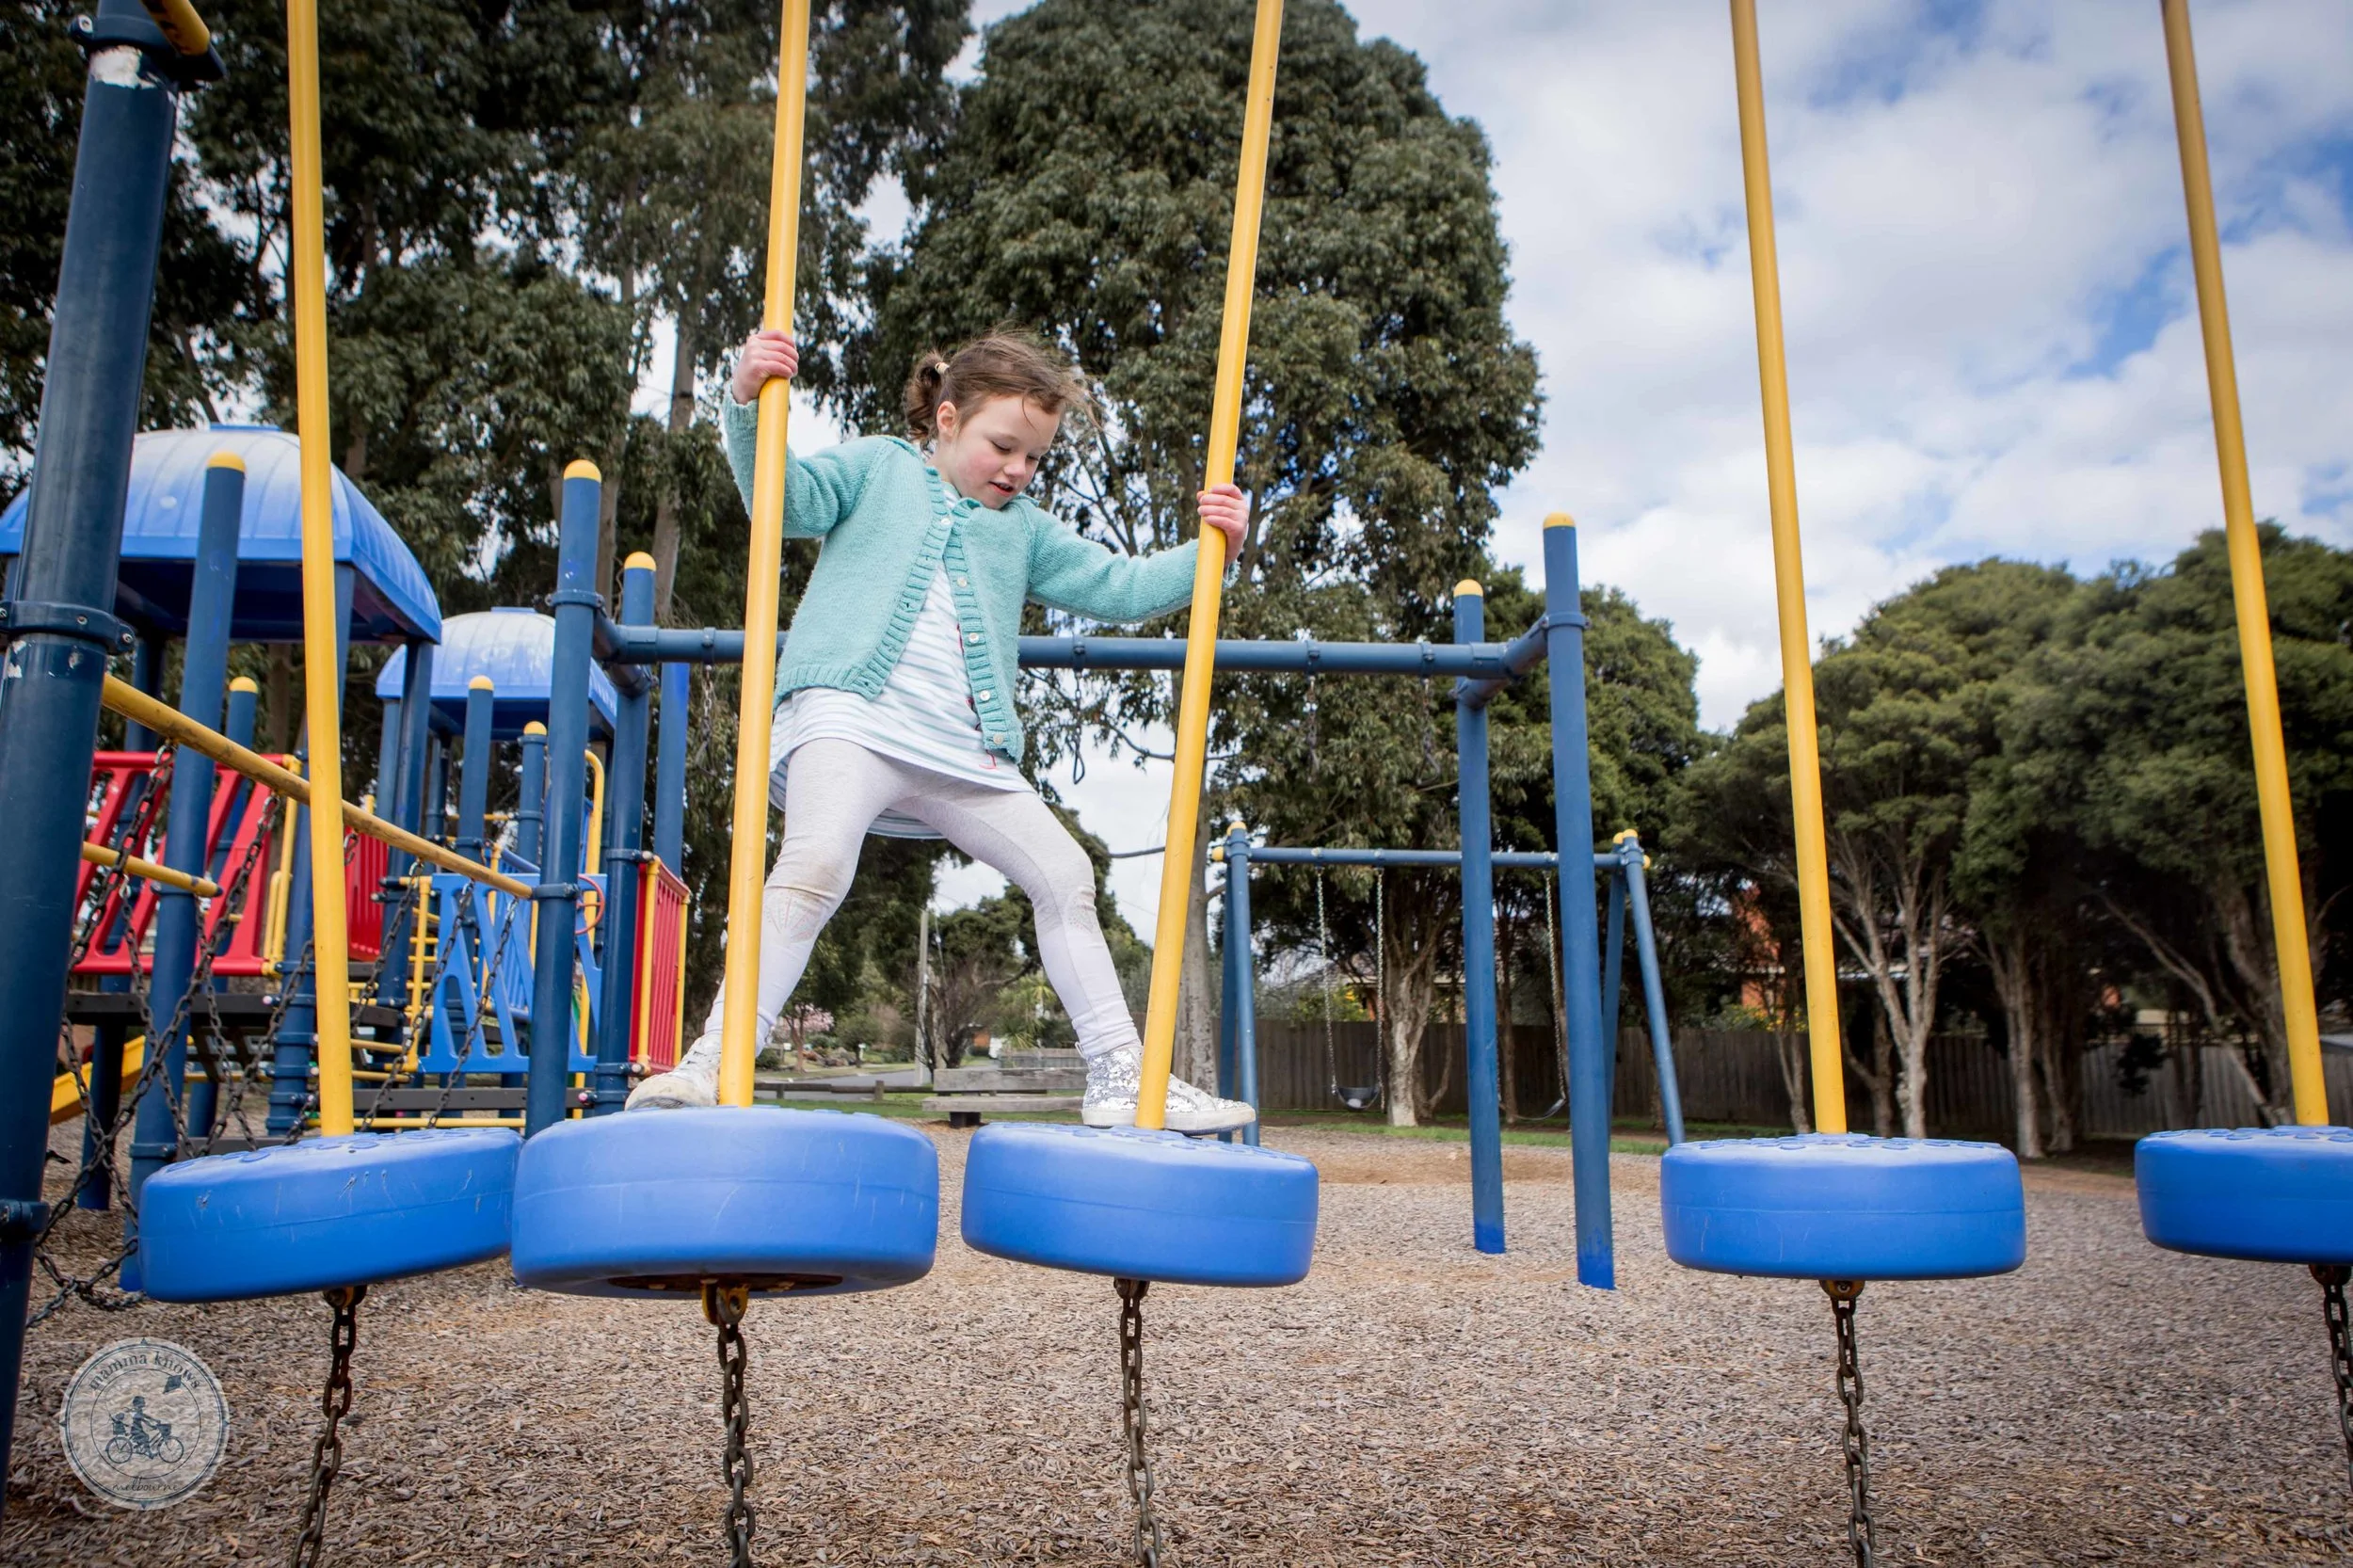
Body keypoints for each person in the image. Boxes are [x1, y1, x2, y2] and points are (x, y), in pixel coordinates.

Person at [628, 328, 1255, 1133]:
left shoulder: (1022, 528)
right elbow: (778, 499)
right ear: (948, 418)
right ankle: (715, 1057)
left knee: (1064, 873)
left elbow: (1120, 585)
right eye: (1004, 446)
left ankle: (1124, 1077)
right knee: (815, 859)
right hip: (852, 718)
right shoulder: (879, 466)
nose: (1017, 470)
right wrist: (747, 401)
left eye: (1034, 458)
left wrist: (1212, 554)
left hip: (965, 750)